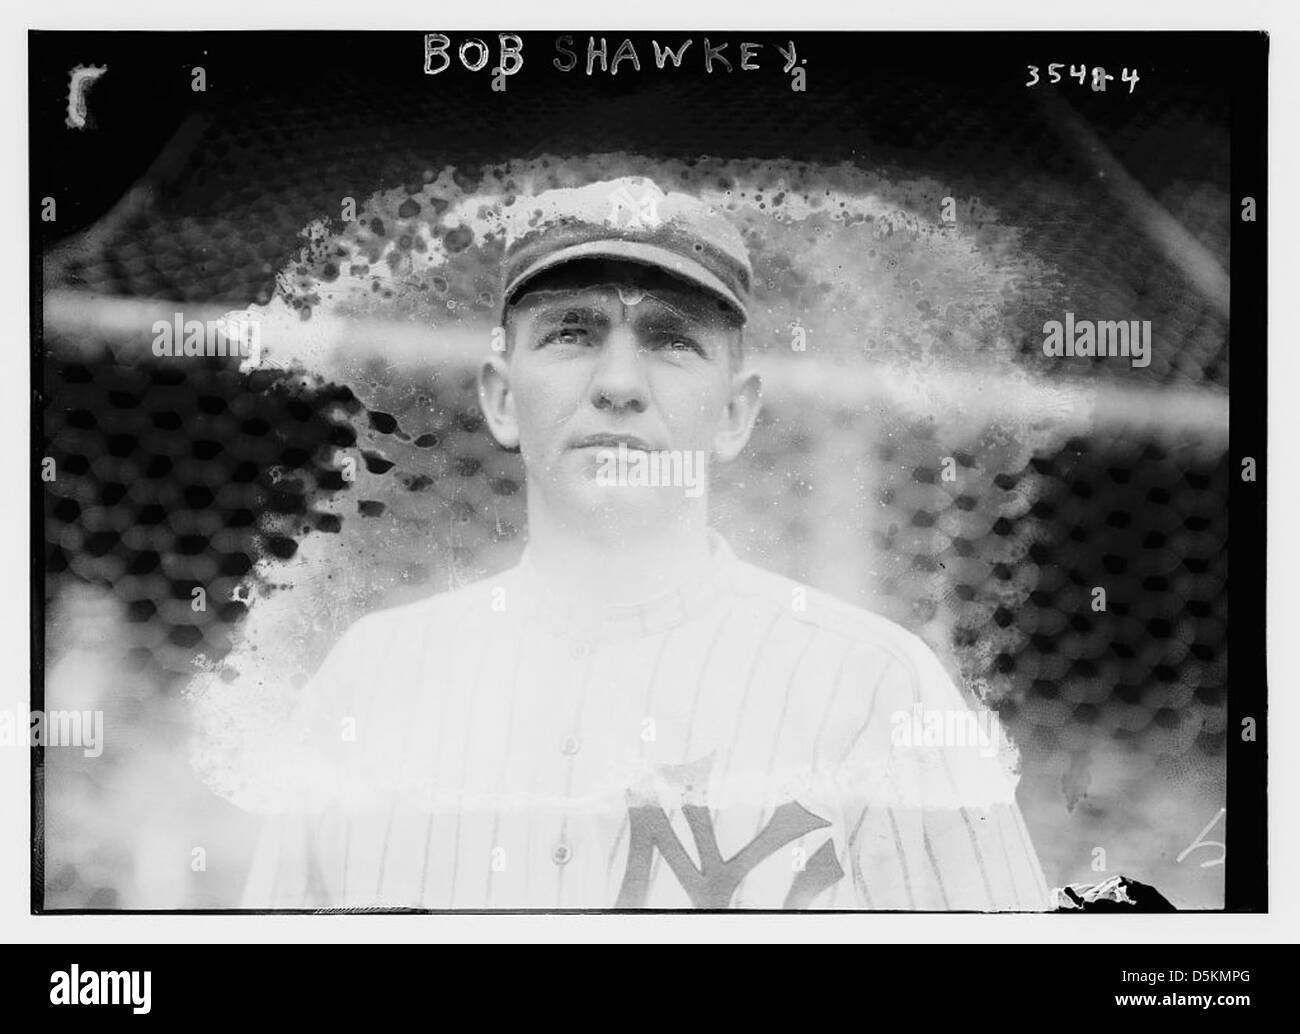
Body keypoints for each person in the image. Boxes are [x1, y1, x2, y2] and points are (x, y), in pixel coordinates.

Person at [241, 175, 1052, 910]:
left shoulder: (879, 691)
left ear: (735, 413)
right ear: (501, 398)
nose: (620, 385)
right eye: (572, 333)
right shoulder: (368, 685)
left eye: (671, 340)